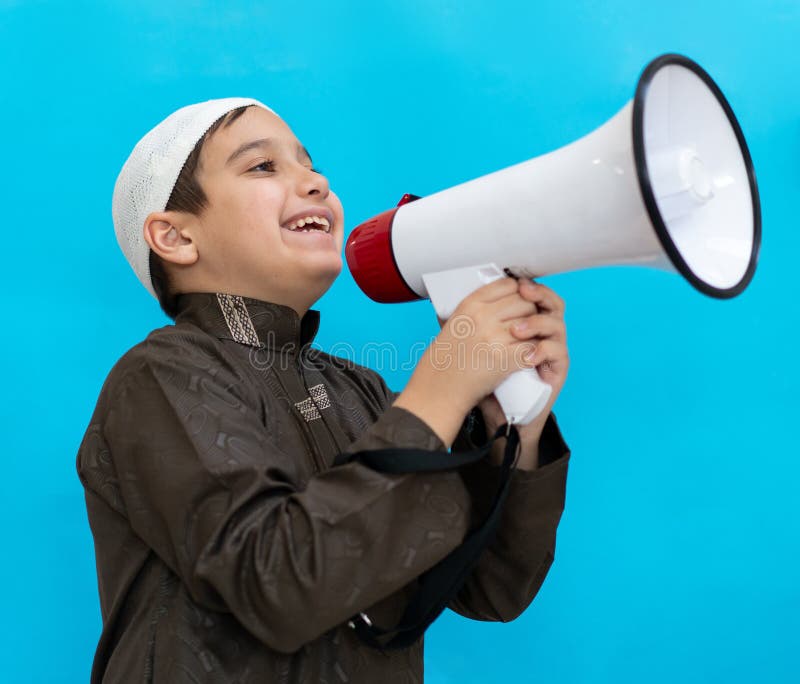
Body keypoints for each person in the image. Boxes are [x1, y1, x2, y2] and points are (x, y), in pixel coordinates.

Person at [77, 97, 572, 683]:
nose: (315, 181)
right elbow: (277, 586)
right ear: (176, 237)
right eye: (263, 167)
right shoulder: (160, 377)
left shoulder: (360, 390)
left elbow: (493, 585)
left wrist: (509, 420)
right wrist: (442, 389)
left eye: (310, 164)